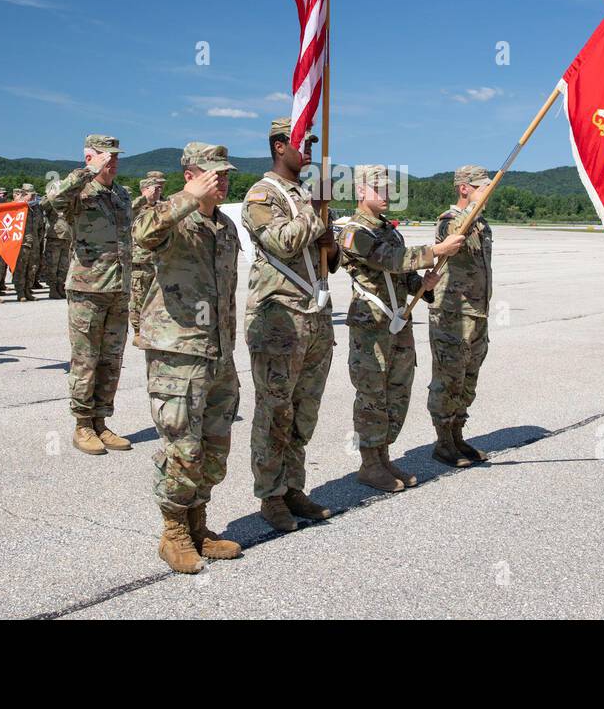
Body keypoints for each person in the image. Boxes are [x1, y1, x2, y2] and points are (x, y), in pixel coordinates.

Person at [133, 142, 242, 574]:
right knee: (183, 448)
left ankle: (199, 524)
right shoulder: (171, 218)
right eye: (212, 173)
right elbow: (143, 234)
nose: (222, 180)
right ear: (190, 176)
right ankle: (173, 532)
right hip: (178, 353)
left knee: (215, 447)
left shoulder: (226, 227)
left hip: (218, 353)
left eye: (225, 174)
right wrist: (186, 199)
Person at [338, 165, 464, 490]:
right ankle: (369, 462)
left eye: (388, 188)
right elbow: (389, 260)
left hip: (399, 323)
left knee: (397, 392)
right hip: (372, 327)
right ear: (361, 191)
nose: (386, 194)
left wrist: (424, 282)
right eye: (378, 188)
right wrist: (436, 250)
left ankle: (383, 456)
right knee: (372, 395)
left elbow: (403, 274)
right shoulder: (354, 231)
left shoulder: (390, 230)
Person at [241, 117, 337, 532]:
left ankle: (294, 486)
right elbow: (280, 241)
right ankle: (271, 495)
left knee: (303, 412)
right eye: (303, 142)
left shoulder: (306, 195)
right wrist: (317, 213)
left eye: (313, 142)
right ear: (280, 147)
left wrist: (329, 241)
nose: (310, 149)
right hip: (279, 319)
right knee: (274, 411)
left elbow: (329, 261)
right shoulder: (263, 195)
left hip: (314, 317)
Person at [46, 136, 134, 456]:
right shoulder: (78, 191)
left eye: (115, 156)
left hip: (119, 289)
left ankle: (101, 421)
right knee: (86, 360)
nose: (112, 161)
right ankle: (82, 424)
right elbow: (52, 199)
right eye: (105, 156)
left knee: (111, 361)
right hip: (87, 289)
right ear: (89, 157)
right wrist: (87, 171)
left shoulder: (122, 194)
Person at [427, 165, 496, 466]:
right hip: (452, 314)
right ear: (464, 188)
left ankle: (457, 434)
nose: (488, 192)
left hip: (477, 313)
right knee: (448, 378)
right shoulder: (449, 220)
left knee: (468, 379)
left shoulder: (484, 225)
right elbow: (452, 241)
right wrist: (471, 215)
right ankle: (443, 442)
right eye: (483, 187)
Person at [128, 170, 165, 344]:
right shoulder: (136, 206)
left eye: (160, 187)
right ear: (145, 189)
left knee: (160, 296)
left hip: (160, 258)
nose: (159, 190)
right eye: (156, 188)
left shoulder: (162, 205)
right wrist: (145, 198)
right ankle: (138, 331)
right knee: (139, 297)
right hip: (140, 260)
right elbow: (128, 209)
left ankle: (155, 327)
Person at [11, 184, 41, 301]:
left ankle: (28, 290)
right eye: (30, 195)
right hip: (22, 241)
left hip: (34, 241)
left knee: (33, 267)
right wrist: (18, 201)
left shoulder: (36, 207)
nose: (33, 197)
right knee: (21, 267)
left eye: (34, 194)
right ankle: (20, 292)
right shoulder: (17, 206)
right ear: (23, 194)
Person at [41, 191, 71, 300]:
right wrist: (51, 194)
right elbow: (42, 205)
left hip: (67, 238)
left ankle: (60, 287)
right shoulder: (52, 203)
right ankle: (52, 289)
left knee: (64, 266)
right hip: (54, 238)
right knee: (52, 266)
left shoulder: (68, 201)